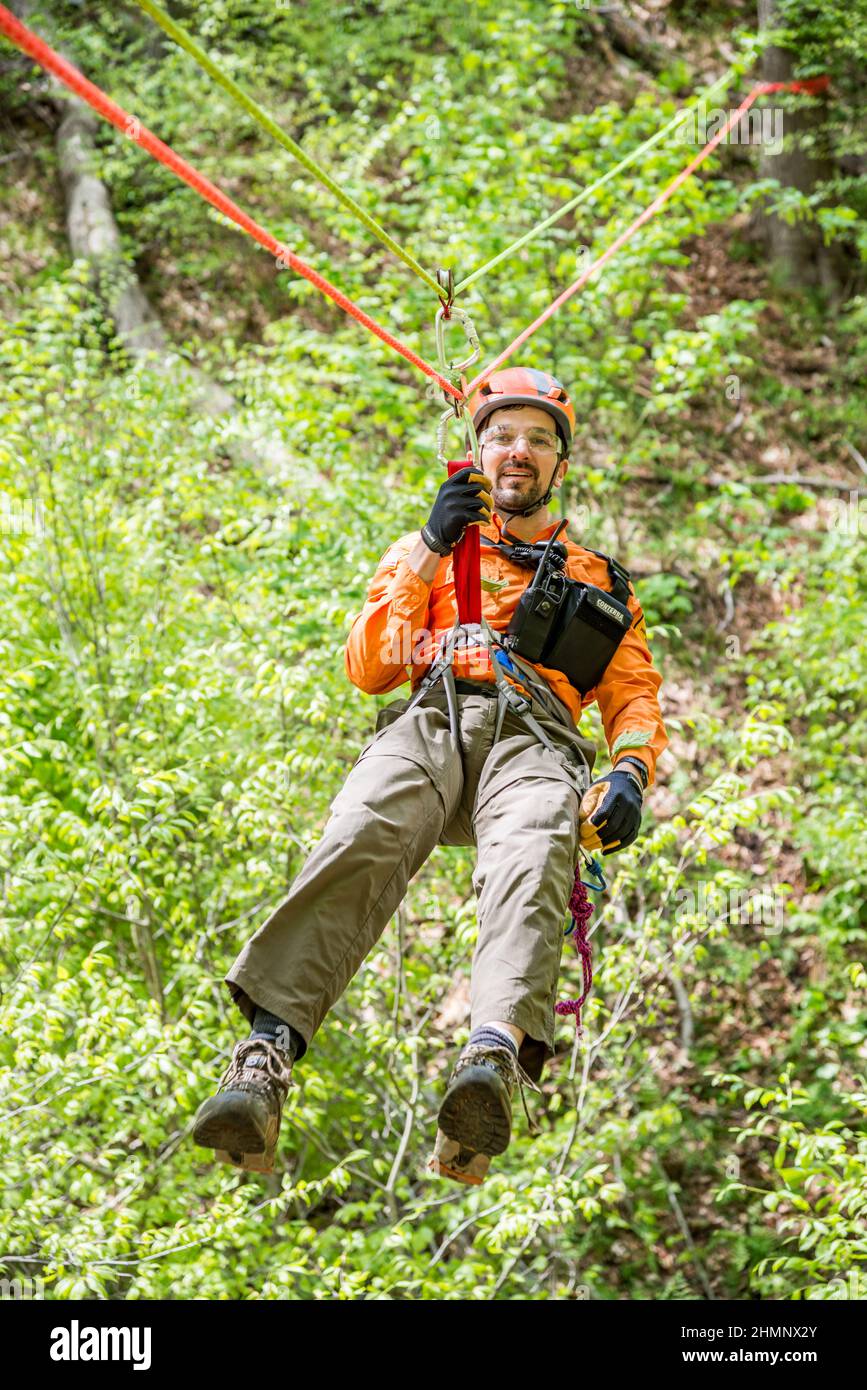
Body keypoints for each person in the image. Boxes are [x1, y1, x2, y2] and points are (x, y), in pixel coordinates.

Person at [192, 366, 668, 1185]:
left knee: (531, 849)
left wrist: (629, 769)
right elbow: (368, 666)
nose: (517, 451)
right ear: (476, 451)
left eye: (537, 440)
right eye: (501, 436)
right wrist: (431, 548)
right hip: (434, 718)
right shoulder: (431, 549)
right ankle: (263, 1059)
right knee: (366, 823)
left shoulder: (597, 578)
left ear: (560, 463)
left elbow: (632, 694)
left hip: (535, 742)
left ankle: (490, 1061)